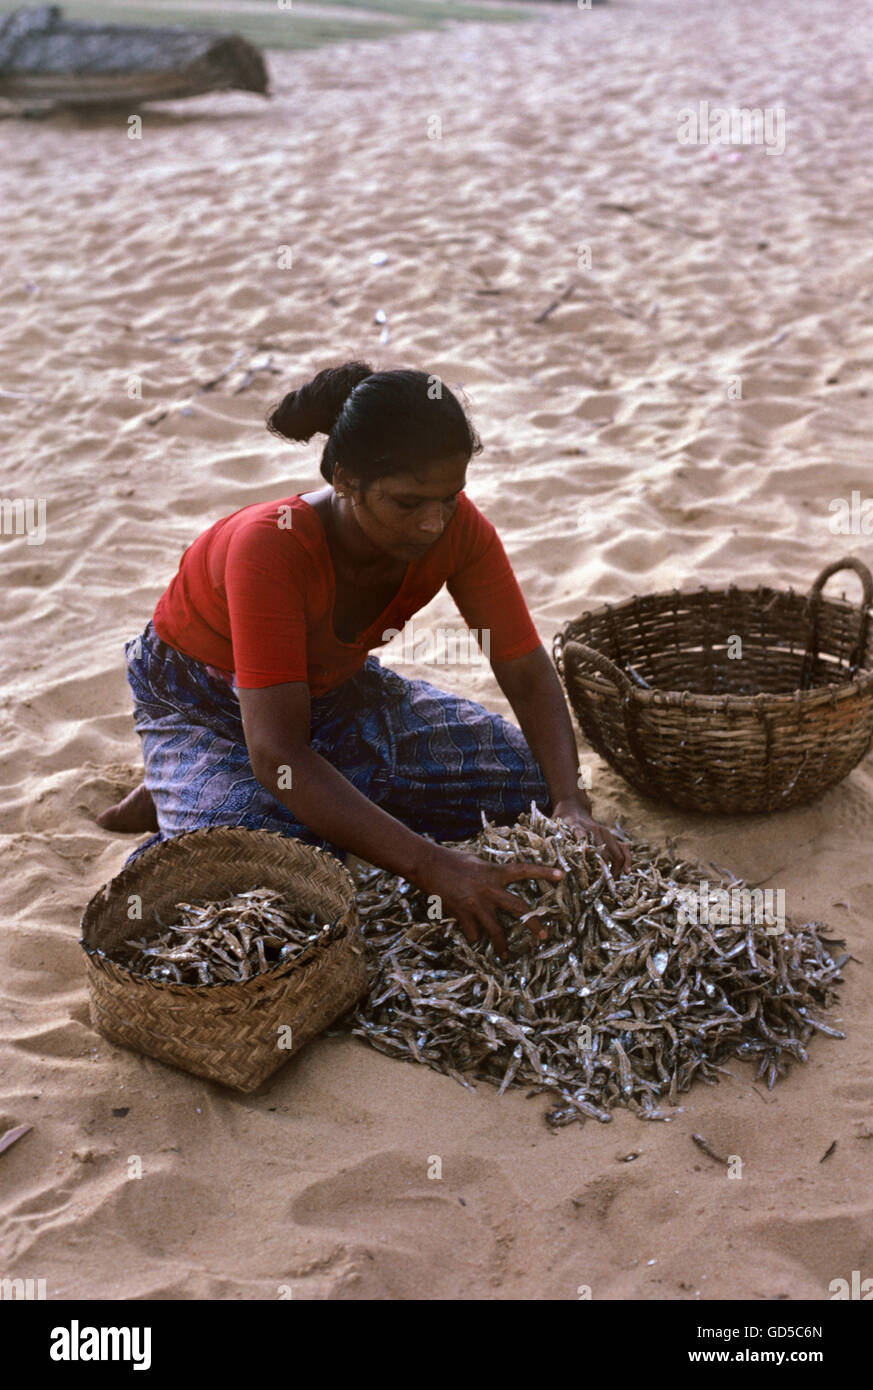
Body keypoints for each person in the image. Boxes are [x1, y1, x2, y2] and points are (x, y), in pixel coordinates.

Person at [99, 362, 630, 957]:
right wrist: (433, 867)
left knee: (526, 779)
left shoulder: (456, 530)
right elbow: (278, 751)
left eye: (448, 499)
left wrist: (569, 801)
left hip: (331, 690)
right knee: (258, 883)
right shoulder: (269, 545)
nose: (433, 523)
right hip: (203, 700)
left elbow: (526, 671)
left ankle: (211, 787)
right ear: (345, 480)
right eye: (407, 503)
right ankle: (181, 769)